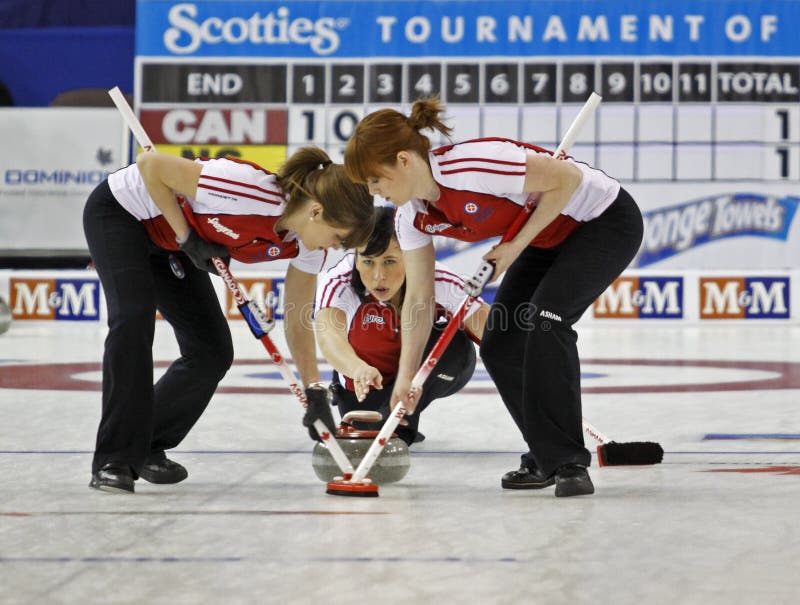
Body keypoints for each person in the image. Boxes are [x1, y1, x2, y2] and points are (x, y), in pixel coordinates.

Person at [344, 99, 644, 497]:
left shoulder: (474, 166)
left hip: (602, 222)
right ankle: (545, 450)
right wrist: (406, 377)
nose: (374, 192)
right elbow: (418, 298)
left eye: (375, 180)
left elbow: (567, 179)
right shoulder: (410, 216)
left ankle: (567, 461)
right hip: (543, 236)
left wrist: (516, 245)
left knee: (545, 321)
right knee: (502, 344)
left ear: (403, 161)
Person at [83, 147, 374, 493]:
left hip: (170, 240)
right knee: (132, 319)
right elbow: (151, 165)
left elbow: (297, 320)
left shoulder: (310, 247)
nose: (337, 247)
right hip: (123, 213)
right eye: (339, 237)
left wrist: (314, 390)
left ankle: (145, 442)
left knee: (211, 351)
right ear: (316, 211)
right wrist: (188, 238)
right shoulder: (246, 189)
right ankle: (114, 458)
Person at [315, 206, 488, 445]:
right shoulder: (338, 282)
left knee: (452, 343)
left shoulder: (436, 279)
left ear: (409, 257)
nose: (378, 276)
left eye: (389, 261)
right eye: (367, 261)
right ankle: (391, 421)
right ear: (356, 260)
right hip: (362, 388)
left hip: (423, 380)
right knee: (364, 436)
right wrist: (357, 369)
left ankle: (400, 418)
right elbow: (329, 338)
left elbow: (499, 337)